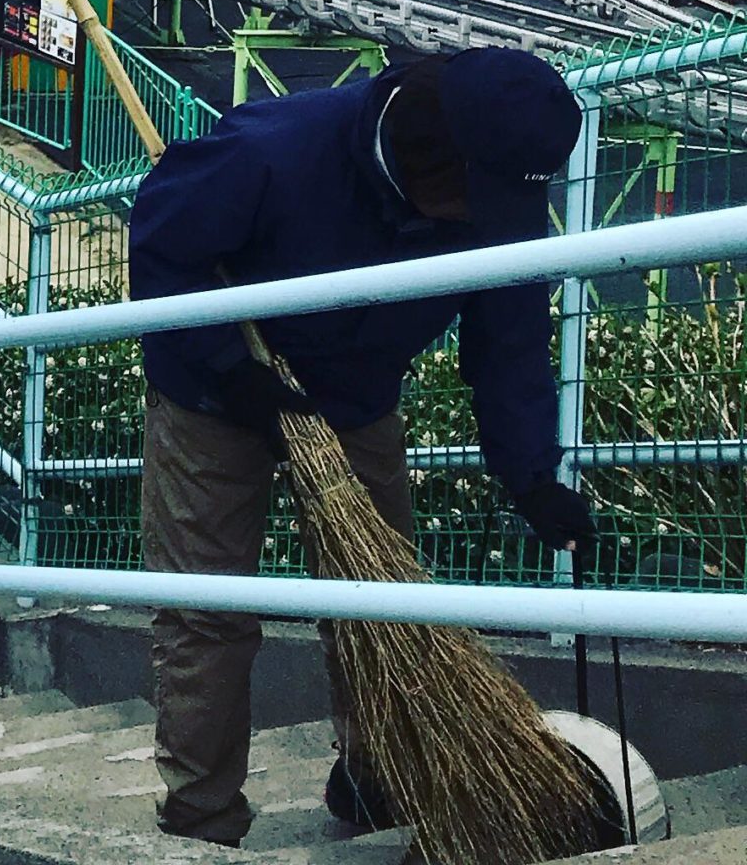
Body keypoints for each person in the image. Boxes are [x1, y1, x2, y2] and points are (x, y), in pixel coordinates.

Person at [127, 49, 589, 847]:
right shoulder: (268, 150)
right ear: (429, 152)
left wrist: (532, 477)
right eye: (475, 199)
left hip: (355, 395)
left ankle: (375, 778)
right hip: (215, 394)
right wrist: (229, 371)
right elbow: (164, 249)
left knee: (380, 603)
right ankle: (201, 819)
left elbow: (509, 341)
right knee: (208, 611)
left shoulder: (493, 197)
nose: (483, 223)